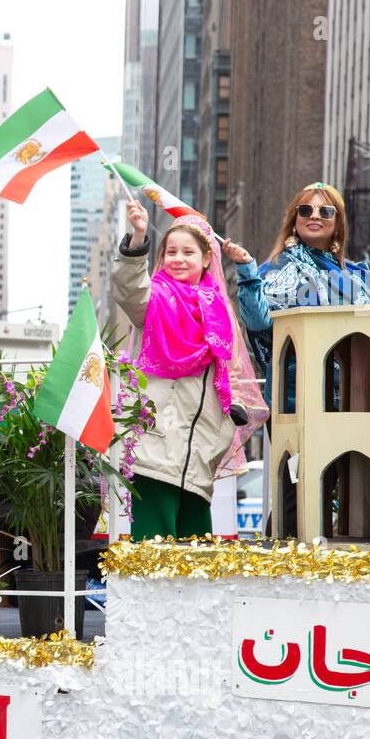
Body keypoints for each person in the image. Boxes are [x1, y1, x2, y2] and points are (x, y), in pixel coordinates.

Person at [112, 199, 268, 540]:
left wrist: (228, 416)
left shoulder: (217, 310)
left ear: (206, 259)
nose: (178, 260)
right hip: (155, 456)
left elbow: (228, 373)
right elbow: (129, 288)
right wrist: (138, 238)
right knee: (154, 560)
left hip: (198, 460)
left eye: (188, 253)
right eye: (171, 252)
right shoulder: (153, 299)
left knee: (195, 565)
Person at [223, 182, 370, 413]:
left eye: (325, 211)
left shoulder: (356, 277)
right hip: (294, 400)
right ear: (295, 220)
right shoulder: (273, 270)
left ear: (338, 224)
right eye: (306, 210)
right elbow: (258, 321)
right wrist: (245, 270)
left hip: (352, 398)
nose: (315, 216)